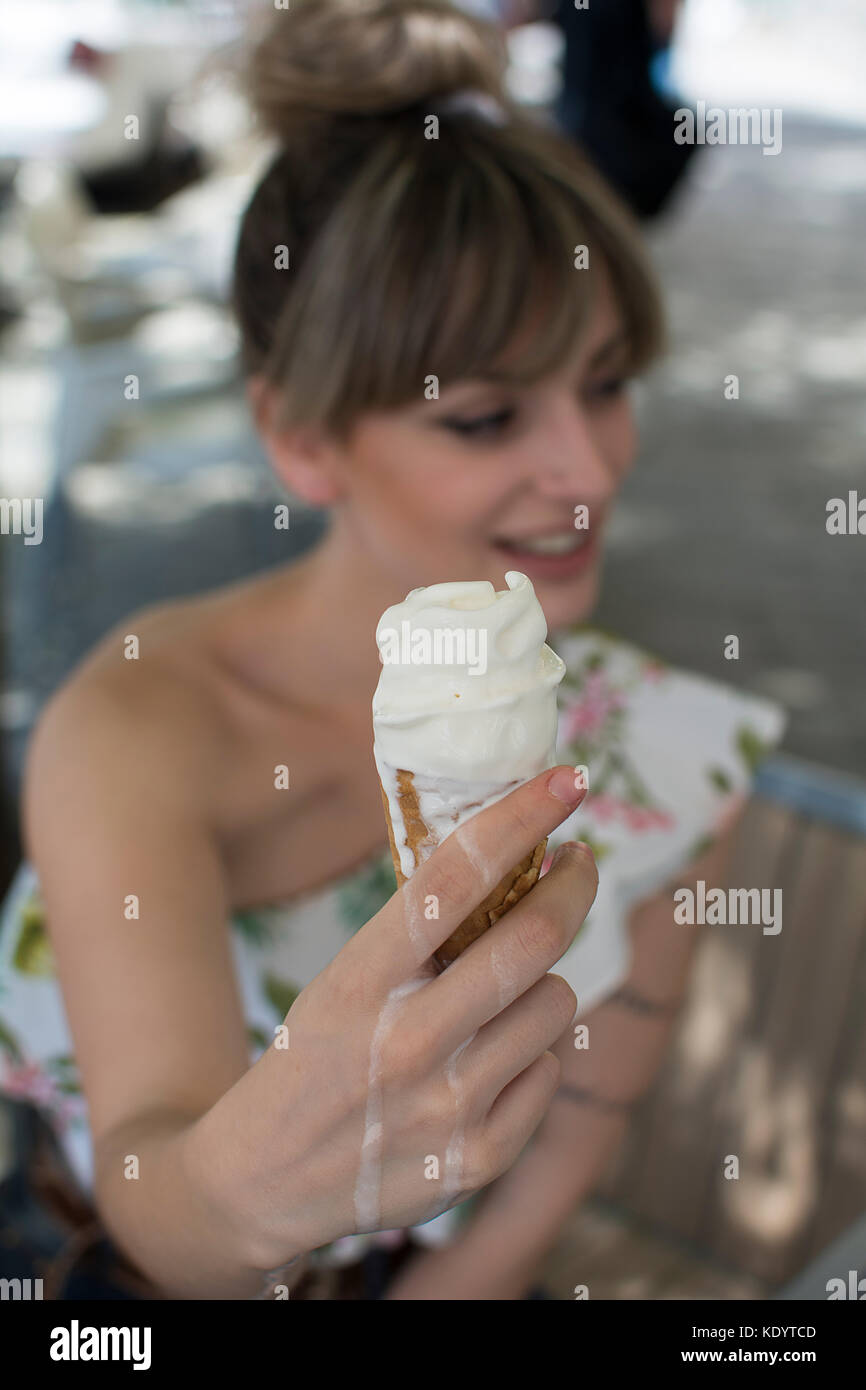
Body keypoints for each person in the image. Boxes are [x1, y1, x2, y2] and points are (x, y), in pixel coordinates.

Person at [0, 0, 781, 1300]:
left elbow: (595, 1087)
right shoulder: (147, 730)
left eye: (604, 381)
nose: (588, 469)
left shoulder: (652, 741)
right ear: (299, 433)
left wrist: (464, 1279)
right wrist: (235, 1193)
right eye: (483, 418)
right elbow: (154, 1180)